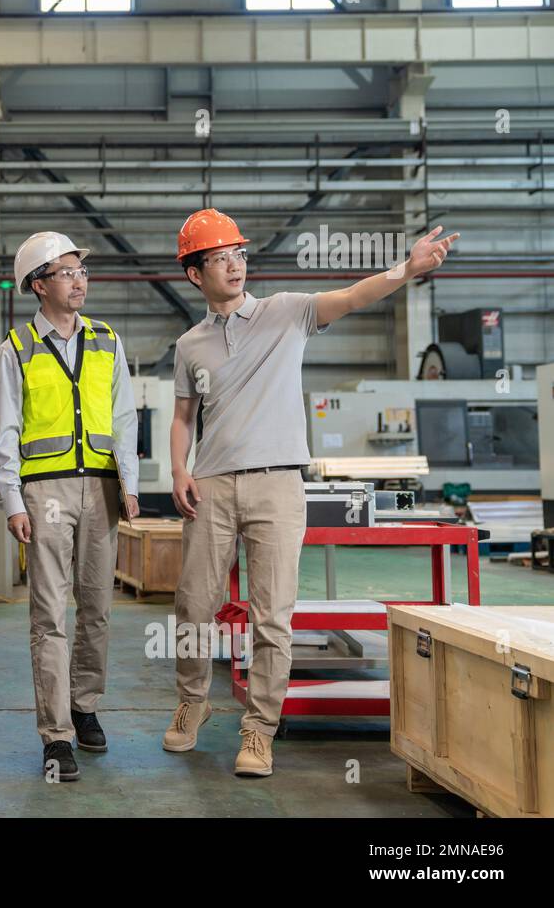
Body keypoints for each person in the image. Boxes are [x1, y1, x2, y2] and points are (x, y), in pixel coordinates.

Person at [163, 208, 458, 776]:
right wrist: (179, 468)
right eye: (220, 257)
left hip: (278, 486)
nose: (234, 265)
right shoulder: (190, 345)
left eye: (239, 254)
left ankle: (258, 731)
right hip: (213, 488)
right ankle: (191, 702)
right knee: (194, 606)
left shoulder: (286, 313)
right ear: (195, 274)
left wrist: (409, 269)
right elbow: (181, 418)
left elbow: (352, 296)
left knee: (272, 616)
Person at [0, 231, 140, 782]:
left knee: (97, 608)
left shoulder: (107, 340)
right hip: (46, 492)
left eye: (81, 271)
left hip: (101, 489)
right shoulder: (17, 347)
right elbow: (5, 431)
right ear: (38, 285)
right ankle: (56, 736)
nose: (79, 280)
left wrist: (129, 481)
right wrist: (12, 501)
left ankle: (85, 704)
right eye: (66, 272)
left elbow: (124, 417)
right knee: (49, 615)